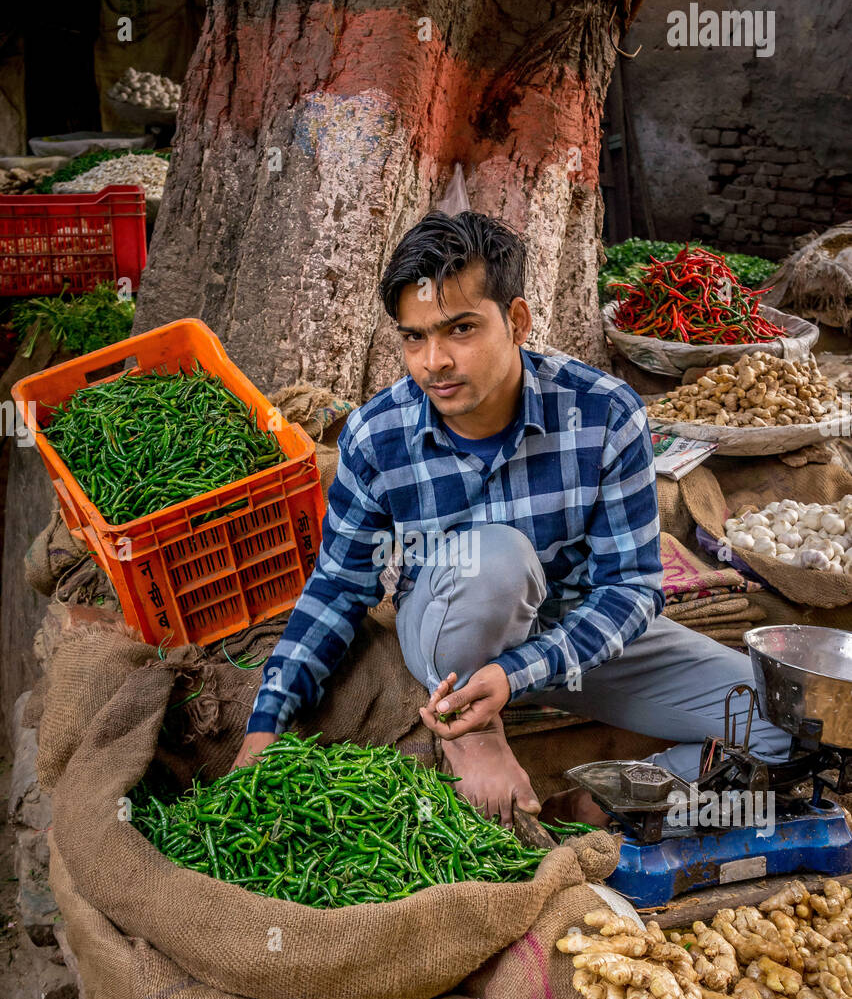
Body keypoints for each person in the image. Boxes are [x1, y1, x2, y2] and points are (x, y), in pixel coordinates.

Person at [233, 211, 789, 822]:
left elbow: (631, 588)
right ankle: (471, 733)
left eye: (460, 329)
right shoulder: (376, 436)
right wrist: (268, 720)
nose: (433, 361)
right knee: (495, 557)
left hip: (575, 644)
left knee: (786, 721)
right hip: (450, 636)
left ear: (518, 321)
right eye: (414, 337)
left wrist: (518, 672)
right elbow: (340, 585)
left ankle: (600, 804)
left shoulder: (603, 413)